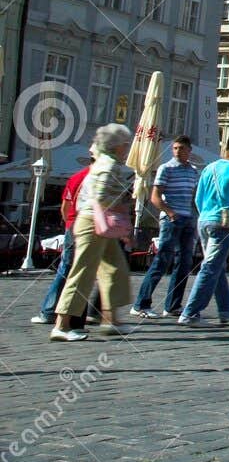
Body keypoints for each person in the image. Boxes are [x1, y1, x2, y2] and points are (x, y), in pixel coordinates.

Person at [51, 124, 138, 341]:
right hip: (94, 223)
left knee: (115, 269)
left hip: (96, 221)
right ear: (117, 145)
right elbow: (100, 197)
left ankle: (111, 320)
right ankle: (61, 325)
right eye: (125, 144)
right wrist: (121, 211)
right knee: (83, 272)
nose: (128, 147)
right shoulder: (108, 165)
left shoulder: (104, 161)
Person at [177, 133, 229, 327]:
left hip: (204, 220)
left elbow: (198, 197)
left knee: (216, 265)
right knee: (210, 267)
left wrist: (205, 215)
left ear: (226, 147)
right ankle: (190, 313)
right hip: (223, 223)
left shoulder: (209, 168)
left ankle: (226, 310)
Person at [132, 136, 200, 319]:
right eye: (175, 148)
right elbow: (155, 197)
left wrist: (194, 215)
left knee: (184, 263)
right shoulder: (166, 168)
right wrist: (170, 213)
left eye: (181, 148)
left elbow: (193, 196)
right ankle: (141, 304)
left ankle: (172, 305)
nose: (177, 151)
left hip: (188, 219)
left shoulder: (194, 171)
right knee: (162, 260)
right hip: (171, 220)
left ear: (189, 150)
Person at [32, 164, 92, 325]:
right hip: (82, 227)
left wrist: (69, 225)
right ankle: (51, 311)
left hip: (75, 226)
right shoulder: (93, 176)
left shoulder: (77, 177)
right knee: (70, 268)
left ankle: (68, 313)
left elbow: (65, 207)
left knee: (73, 269)